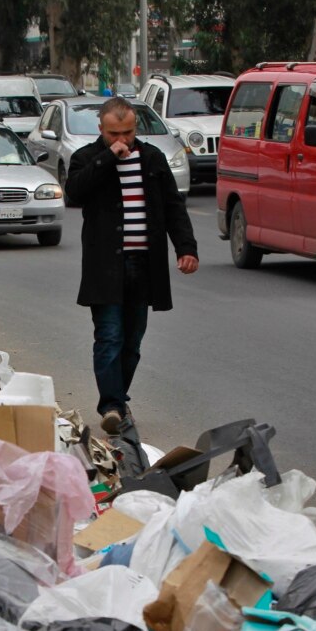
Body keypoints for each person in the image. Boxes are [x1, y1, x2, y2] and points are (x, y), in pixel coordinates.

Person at [66, 97, 199, 435]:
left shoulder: (152, 158)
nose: (121, 140)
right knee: (109, 335)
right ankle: (111, 404)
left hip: (144, 264)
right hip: (105, 266)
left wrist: (185, 247)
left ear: (135, 128)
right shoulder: (87, 158)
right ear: (101, 129)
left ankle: (118, 399)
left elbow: (173, 206)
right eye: (114, 134)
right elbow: (76, 193)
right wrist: (108, 158)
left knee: (132, 340)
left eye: (127, 132)